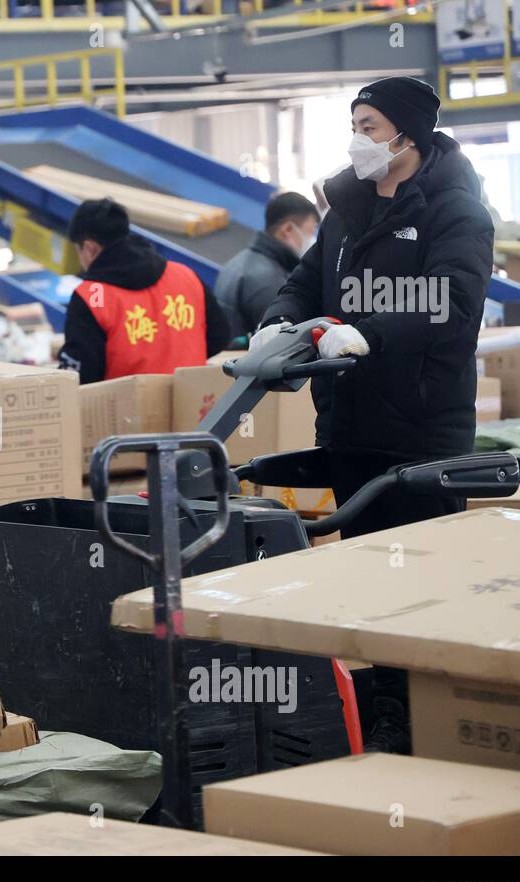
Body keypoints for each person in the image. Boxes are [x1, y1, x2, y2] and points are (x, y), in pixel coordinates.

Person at [249, 76, 494, 753]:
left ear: (408, 134)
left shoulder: (456, 210)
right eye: (354, 123)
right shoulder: (347, 208)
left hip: (419, 435)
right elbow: (304, 285)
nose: (360, 138)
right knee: (367, 578)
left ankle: (423, 722)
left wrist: (371, 333)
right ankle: (382, 710)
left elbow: (451, 300)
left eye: (370, 125)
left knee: (418, 582)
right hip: (349, 424)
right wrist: (276, 324)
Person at [58, 198, 233, 384]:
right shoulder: (184, 275)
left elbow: (82, 373)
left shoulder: (94, 296)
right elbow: (220, 336)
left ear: (89, 248)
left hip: (123, 409)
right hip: (190, 402)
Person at [215, 192, 320, 343]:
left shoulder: (238, 262)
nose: (312, 239)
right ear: (288, 229)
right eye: (311, 230)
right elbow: (277, 344)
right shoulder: (270, 282)